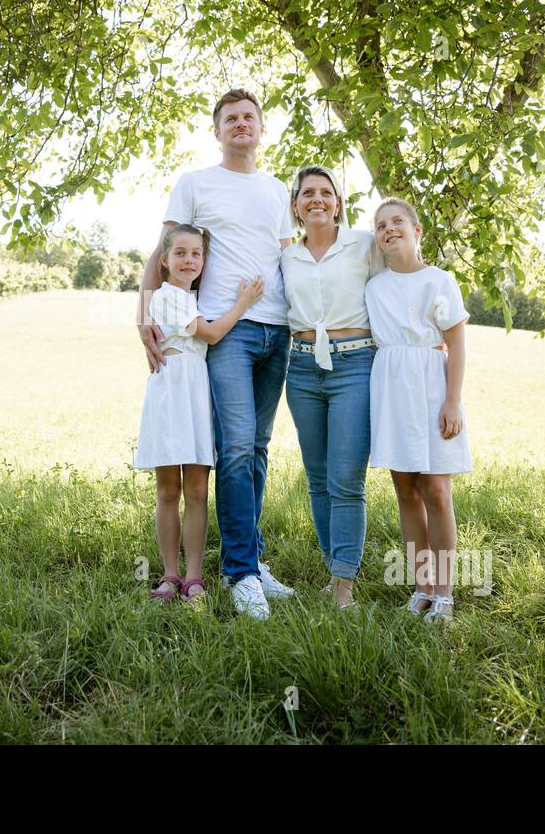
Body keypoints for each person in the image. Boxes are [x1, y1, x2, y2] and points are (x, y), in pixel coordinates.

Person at [137, 88, 296, 621]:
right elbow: (161, 255)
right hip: (228, 330)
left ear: (261, 127)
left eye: (250, 117)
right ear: (218, 129)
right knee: (233, 448)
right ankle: (239, 575)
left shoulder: (278, 191)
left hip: (278, 330)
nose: (241, 125)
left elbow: (287, 258)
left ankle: (250, 558)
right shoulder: (195, 183)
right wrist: (143, 315)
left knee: (256, 449)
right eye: (231, 118)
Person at [135, 224, 264, 604]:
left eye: (196, 254)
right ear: (165, 261)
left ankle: (194, 576)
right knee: (168, 489)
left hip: (195, 395)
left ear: (204, 260)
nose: (189, 260)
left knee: (196, 489)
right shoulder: (166, 296)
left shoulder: (193, 299)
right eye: (180, 253)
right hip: (171, 392)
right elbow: (209, 335)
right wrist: (242, 304)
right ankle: (170, 573)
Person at [280, 165, 386, 609]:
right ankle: (332, 568)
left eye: (326, 193)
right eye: (308, 194)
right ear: (296, 206)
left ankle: (344, 584)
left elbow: (394, 288)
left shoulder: (363, 244)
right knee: (318, 478)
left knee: (346, 479)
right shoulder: (286, 256)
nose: (317, 200)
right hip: (302, 369)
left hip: (354, 364)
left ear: (339, 204)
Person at [364, 198, 471, 624]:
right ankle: (422, 585)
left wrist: (452, 400)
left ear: (417, 230)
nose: (389, 229)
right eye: (380, 226)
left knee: (437, 491)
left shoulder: (439, 280)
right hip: (390, 388)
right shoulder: (374, 286)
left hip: (430, 384)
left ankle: (444, 592)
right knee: (406, 490)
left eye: (396, 222)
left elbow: (457, 343)